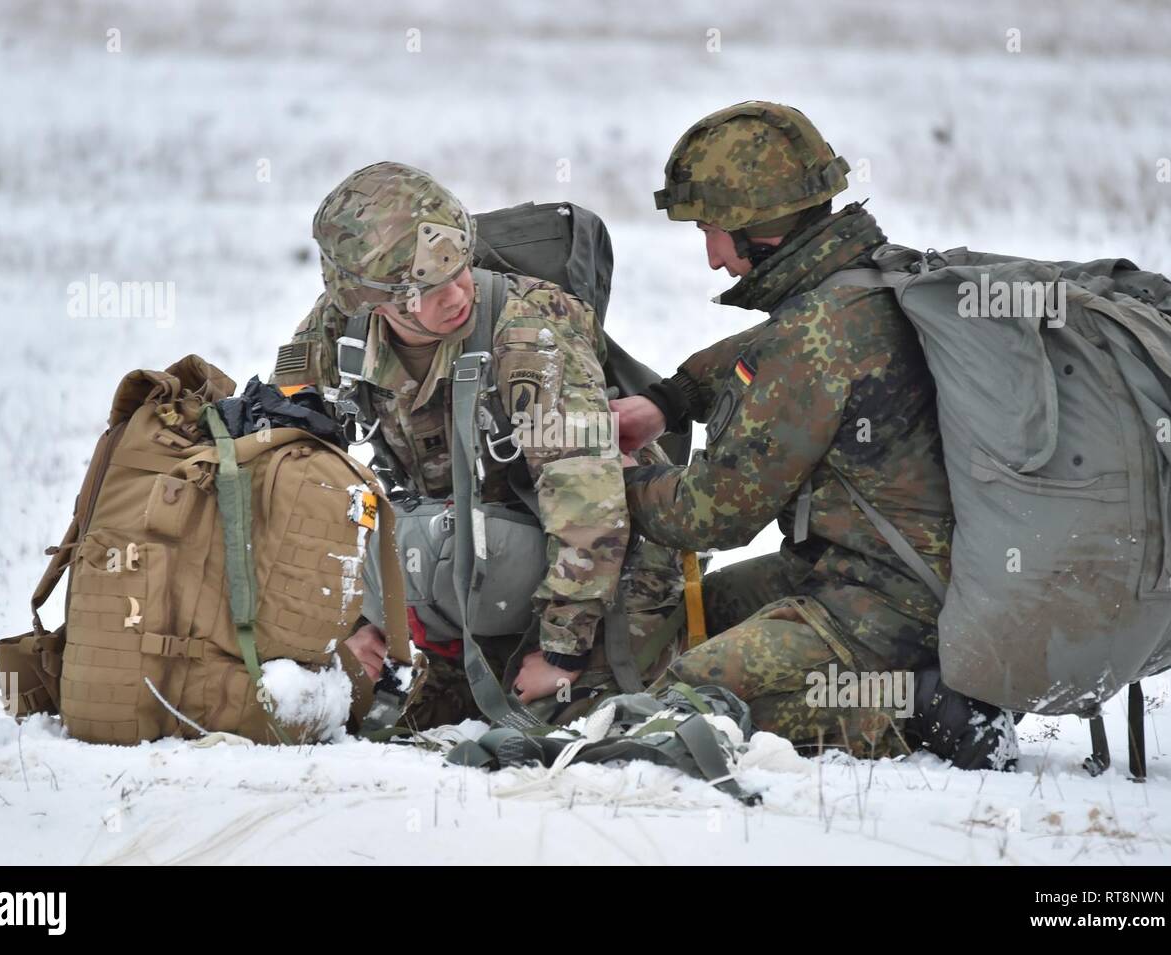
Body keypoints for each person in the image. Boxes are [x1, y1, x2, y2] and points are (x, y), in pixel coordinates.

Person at [611, 101, 1018, 769]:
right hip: (872, 576)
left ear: (760, 228)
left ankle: (920, 705)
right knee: (694, 617)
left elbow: (713, 513)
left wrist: (618, 483)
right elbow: (763, 349)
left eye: (712, 230)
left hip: (892, 609)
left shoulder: (817, 330)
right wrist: (669, 400)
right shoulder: (859, 280)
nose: (713, 258)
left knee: (693, 690)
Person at [272, 162, 683, 727]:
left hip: (609, 571)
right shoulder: (336, 333)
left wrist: (562, 650)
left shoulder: (529, 331)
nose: (456, 293)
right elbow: (287, 467)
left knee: (559, 732)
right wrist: (351, 617)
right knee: (406, 731)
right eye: (426, 291)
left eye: (461, 269)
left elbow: (586, 496)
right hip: (472, 568)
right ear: (375, 302)